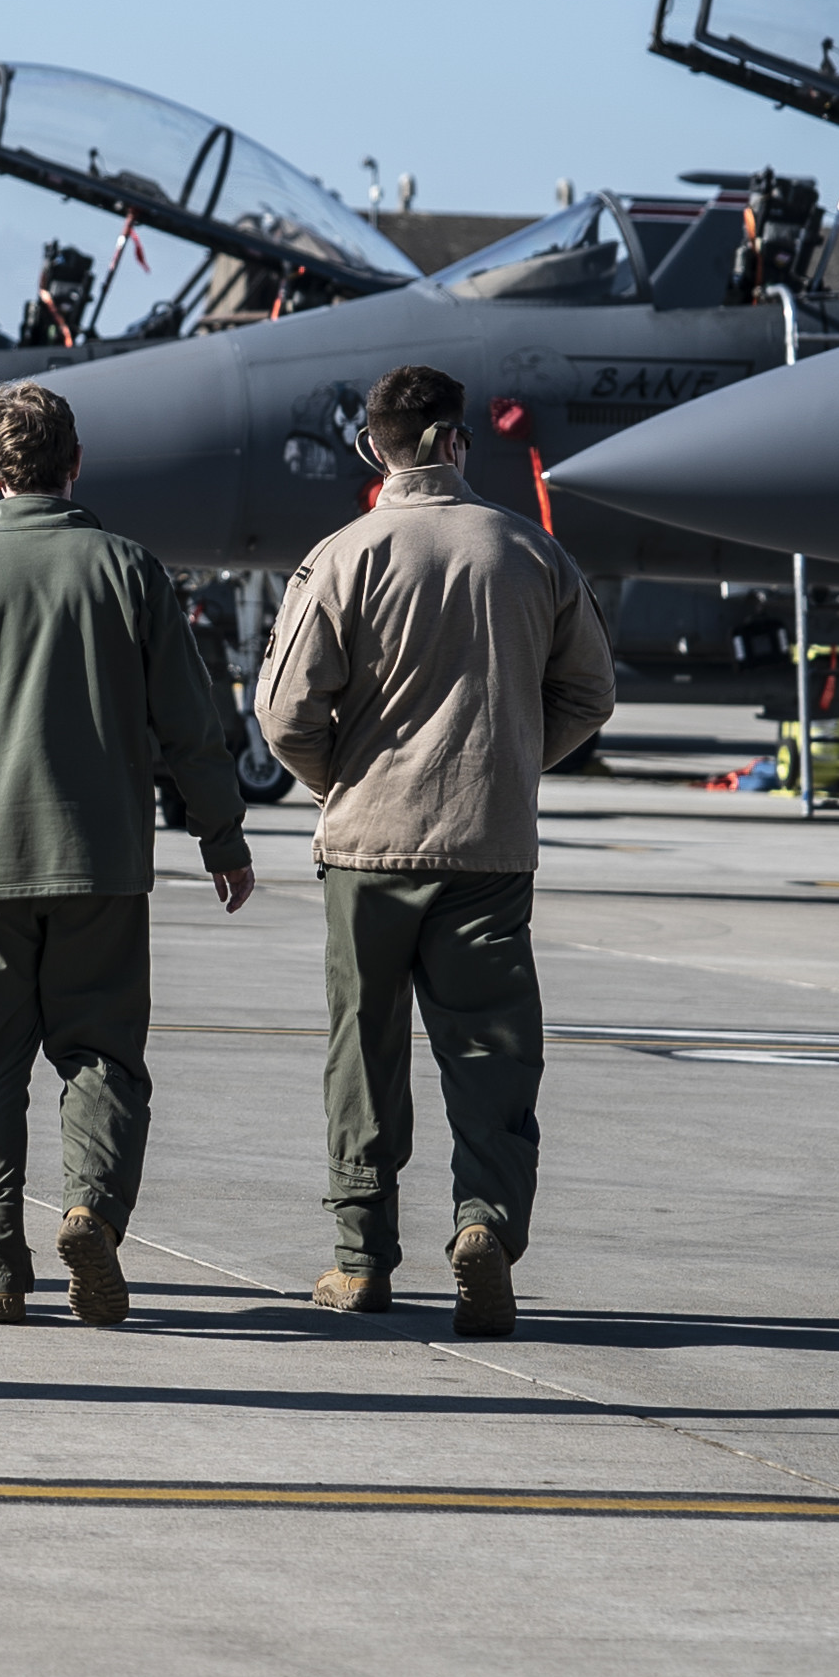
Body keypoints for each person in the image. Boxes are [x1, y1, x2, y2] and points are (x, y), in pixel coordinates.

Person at [255, 364, 614, 1339]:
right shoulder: (529, 552)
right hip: (488, 849)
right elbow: (590, 694)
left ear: (374, 447)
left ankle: (360, 1258)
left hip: (367, 849)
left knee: (362, 1054)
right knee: (493, 1052)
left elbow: (286, 713)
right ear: (456, 441)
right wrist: (503, 764)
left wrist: (344, 781)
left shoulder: (341, 556)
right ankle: (485, 1225)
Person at [0, 383, 252, 1327]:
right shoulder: (129, 570)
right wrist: (221, 833)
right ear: (74, 464)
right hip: (102, 863)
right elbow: (190, 722)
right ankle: (90, 1207)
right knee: (101, 1058)